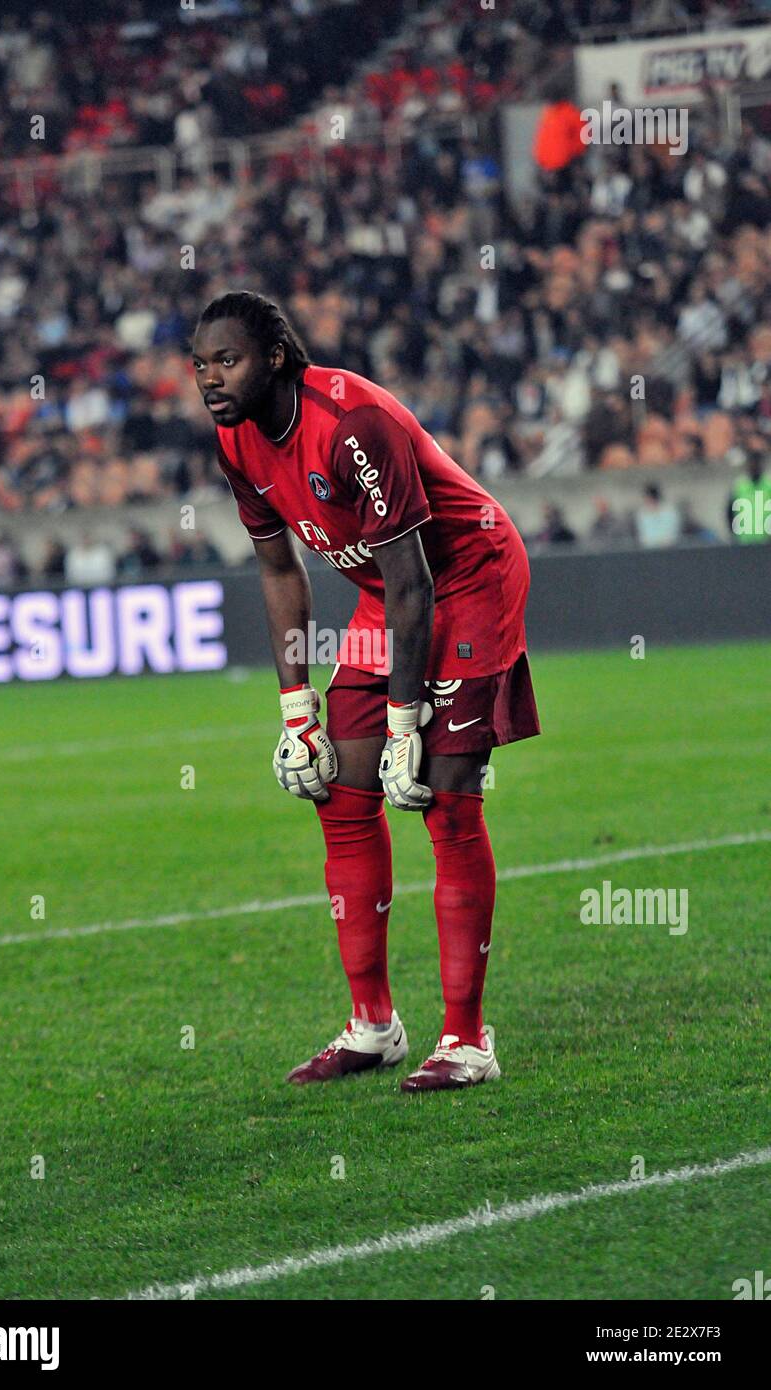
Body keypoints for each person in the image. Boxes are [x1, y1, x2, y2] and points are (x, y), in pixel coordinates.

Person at [192, 291, 540, 1093]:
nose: (211, 378)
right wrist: (295, 712)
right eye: (201, 365)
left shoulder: (352, 424)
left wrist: (406, 718)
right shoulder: (234, 439)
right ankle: (373, 1027)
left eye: (228, 360)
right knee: (339, 794)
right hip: (393, 597)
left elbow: (415, 578)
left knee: (441, 796)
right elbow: (280, 568)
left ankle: (466, 1040)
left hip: (467, 580)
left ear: (273, 356)